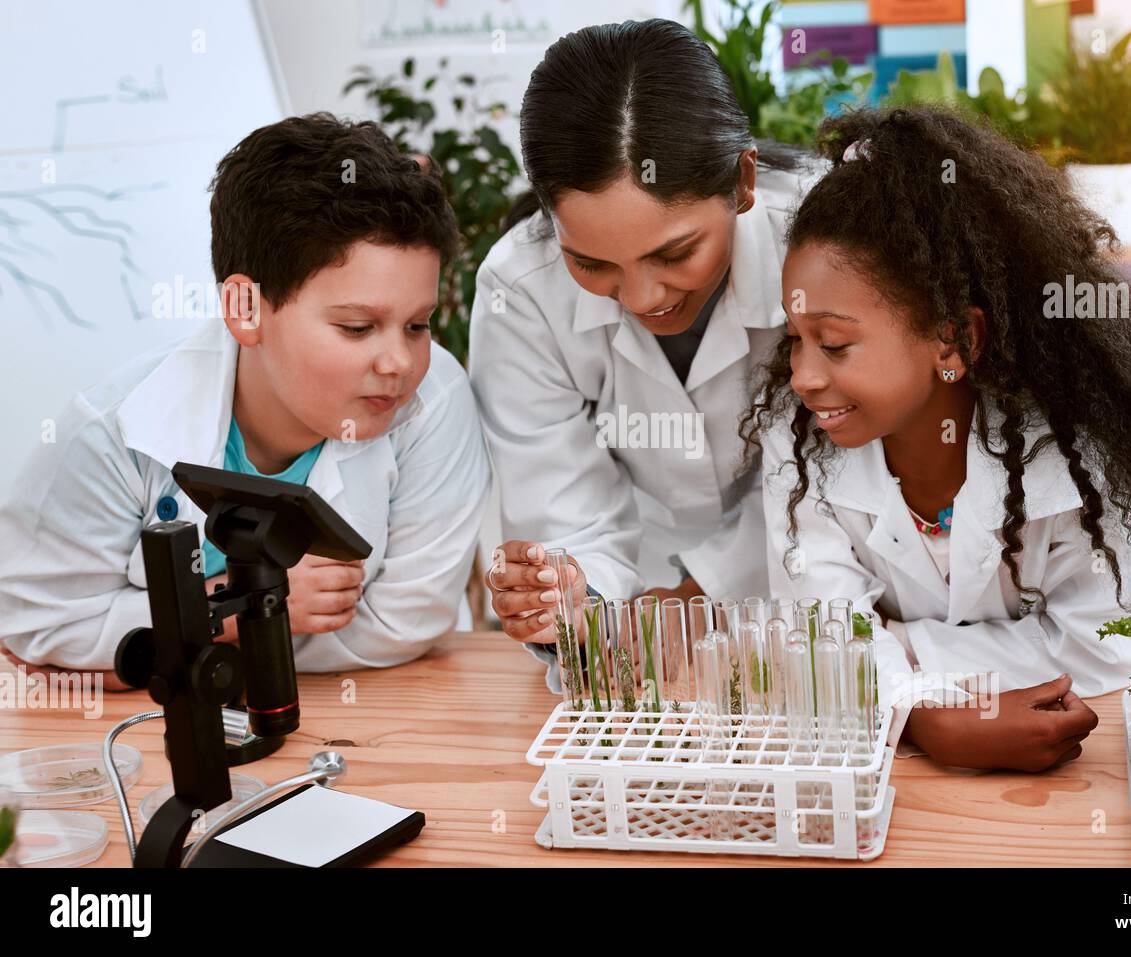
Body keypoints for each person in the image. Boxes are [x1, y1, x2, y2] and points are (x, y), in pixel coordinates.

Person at [743, 107, 1131, 771]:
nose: (802, 376)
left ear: (954, 340)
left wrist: (899, 652)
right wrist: (927, 721)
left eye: (835, 343)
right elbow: (816, 647)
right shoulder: (797, 450)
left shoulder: (1065, 458)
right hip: (895, 787)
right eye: (795, 340)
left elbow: (1109, 647)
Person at [0, 114, 491, 686]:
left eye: (417, 325)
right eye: (357, 327)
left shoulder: (436, 398)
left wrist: (156, 644)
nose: (400, 364)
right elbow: (37, 630)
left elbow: (406, 624)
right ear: (245, 310)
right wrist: (244, 606)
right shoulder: (111, 432)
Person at [468, 19, 816, 688]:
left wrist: (700, 595)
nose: (642, 295)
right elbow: (563, 509)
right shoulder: (521, 292)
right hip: (639, 622)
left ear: (743, 181)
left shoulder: (823, 242)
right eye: (591, 262)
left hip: (819, 605)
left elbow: (840, 467)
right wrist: (573, 598)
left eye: (676, 252)